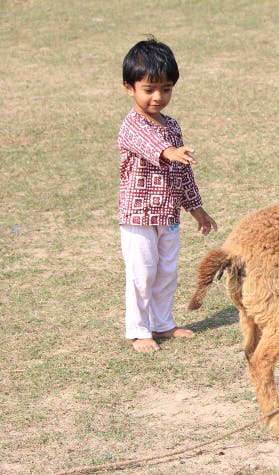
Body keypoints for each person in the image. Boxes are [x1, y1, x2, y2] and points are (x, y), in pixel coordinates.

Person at [118, 37, 217, 353]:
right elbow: (150, 146)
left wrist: (196, 208)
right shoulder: (131, 125)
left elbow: (184, 172)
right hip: (138, 216)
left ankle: (162, 324)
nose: (158, 97)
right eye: (149, 89)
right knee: (142, 273)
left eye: (166, 89)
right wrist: (168, 152)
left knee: (166, 273)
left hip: (168, 215)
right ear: (129, 88)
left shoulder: (172, 126)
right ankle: (138, 329)